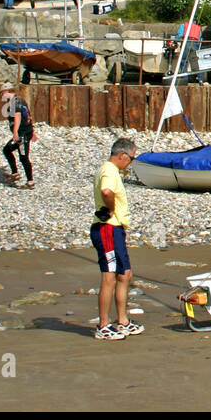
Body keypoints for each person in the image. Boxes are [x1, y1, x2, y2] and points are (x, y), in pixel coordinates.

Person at [92, 138, 142, 340]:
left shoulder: (114, 172)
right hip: (106, 230)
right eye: (131, 158)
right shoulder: (108, 170)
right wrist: (111, 209)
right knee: (109, 276)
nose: (130, 162)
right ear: (123, 155)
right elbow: (106, 191)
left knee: (125, 274)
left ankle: (122, 321)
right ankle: (103, 325)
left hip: (116, 230)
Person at [0, 83, 35, 189]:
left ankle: (30, 181)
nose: (2, 97)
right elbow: (28, 115)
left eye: (2, 94)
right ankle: (15, 173)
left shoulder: (15, 102)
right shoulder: (19, 100)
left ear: (6, 91)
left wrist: (15, 133)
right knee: (7, 150)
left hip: (22, 134)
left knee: (24, 157)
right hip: (25, 131)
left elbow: (18, 117)